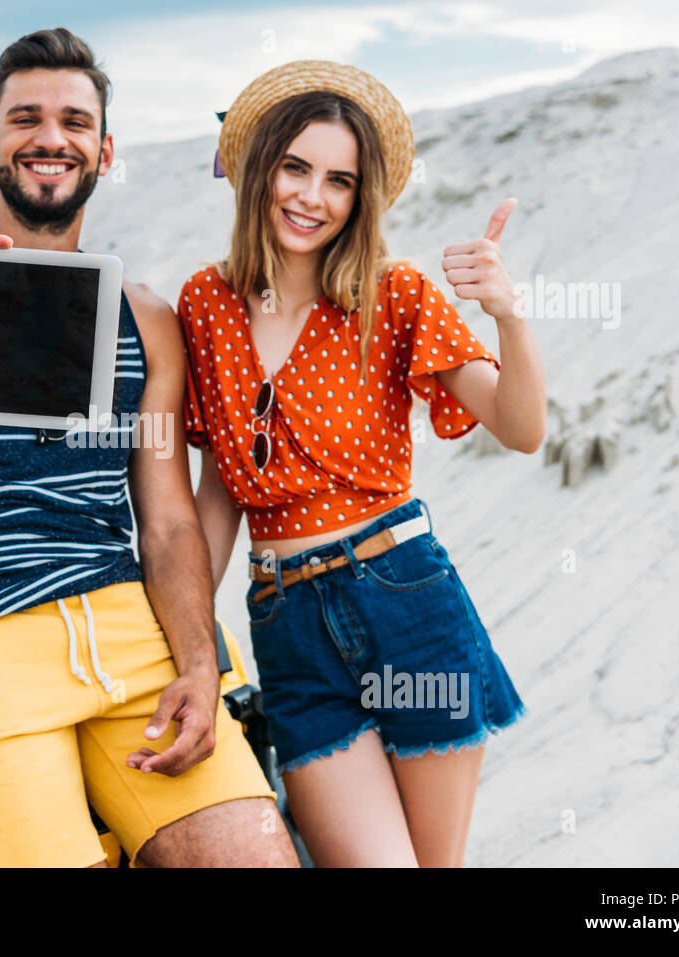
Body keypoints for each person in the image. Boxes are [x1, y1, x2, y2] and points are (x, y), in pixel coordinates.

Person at [0, 28, 297, 868]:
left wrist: (199, 664)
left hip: (125, 635)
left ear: (105, 150)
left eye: (75, 121)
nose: (52, 138)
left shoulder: (146, 321)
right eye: (26, 119)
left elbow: (167, 523)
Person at [178, 60, 544, 867]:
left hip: (406, 602)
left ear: (362, 198)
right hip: (287, 627)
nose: (312, 196)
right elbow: (218, 499)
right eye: (295, 167)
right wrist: (182, 641)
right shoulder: (205, 304)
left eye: (339, 180)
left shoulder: (396, 292)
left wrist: (509, 317)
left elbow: (521, 428)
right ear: (258, 171)